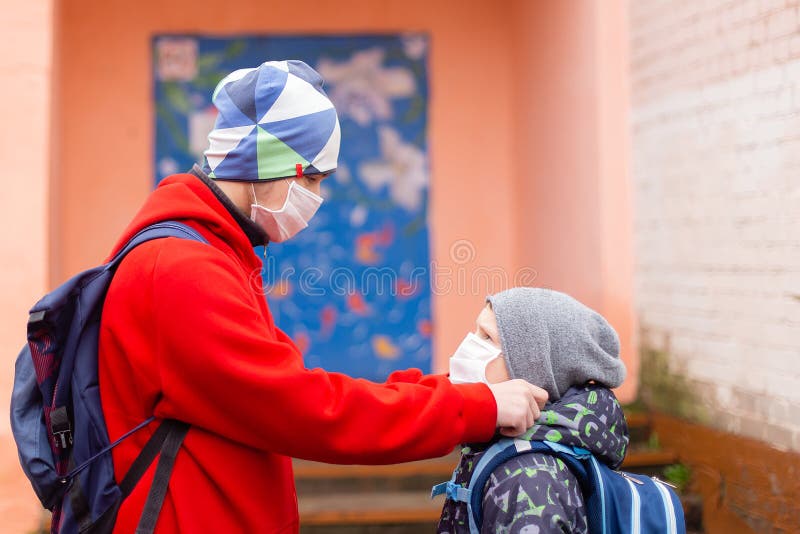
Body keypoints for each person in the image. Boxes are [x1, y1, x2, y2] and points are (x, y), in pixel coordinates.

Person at [98, 60, 547, 533]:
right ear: (266, 159)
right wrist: (476, 408)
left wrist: (459, 390)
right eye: (312, 178)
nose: (315, 195)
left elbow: (292, 388)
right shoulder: (181, 270)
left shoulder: (208, 254)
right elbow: (309, 411)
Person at [437, 287, 629, 533]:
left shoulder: (530, 479)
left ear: (530, 370)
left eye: (486, 337)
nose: (467, 346)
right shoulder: (508, 447)